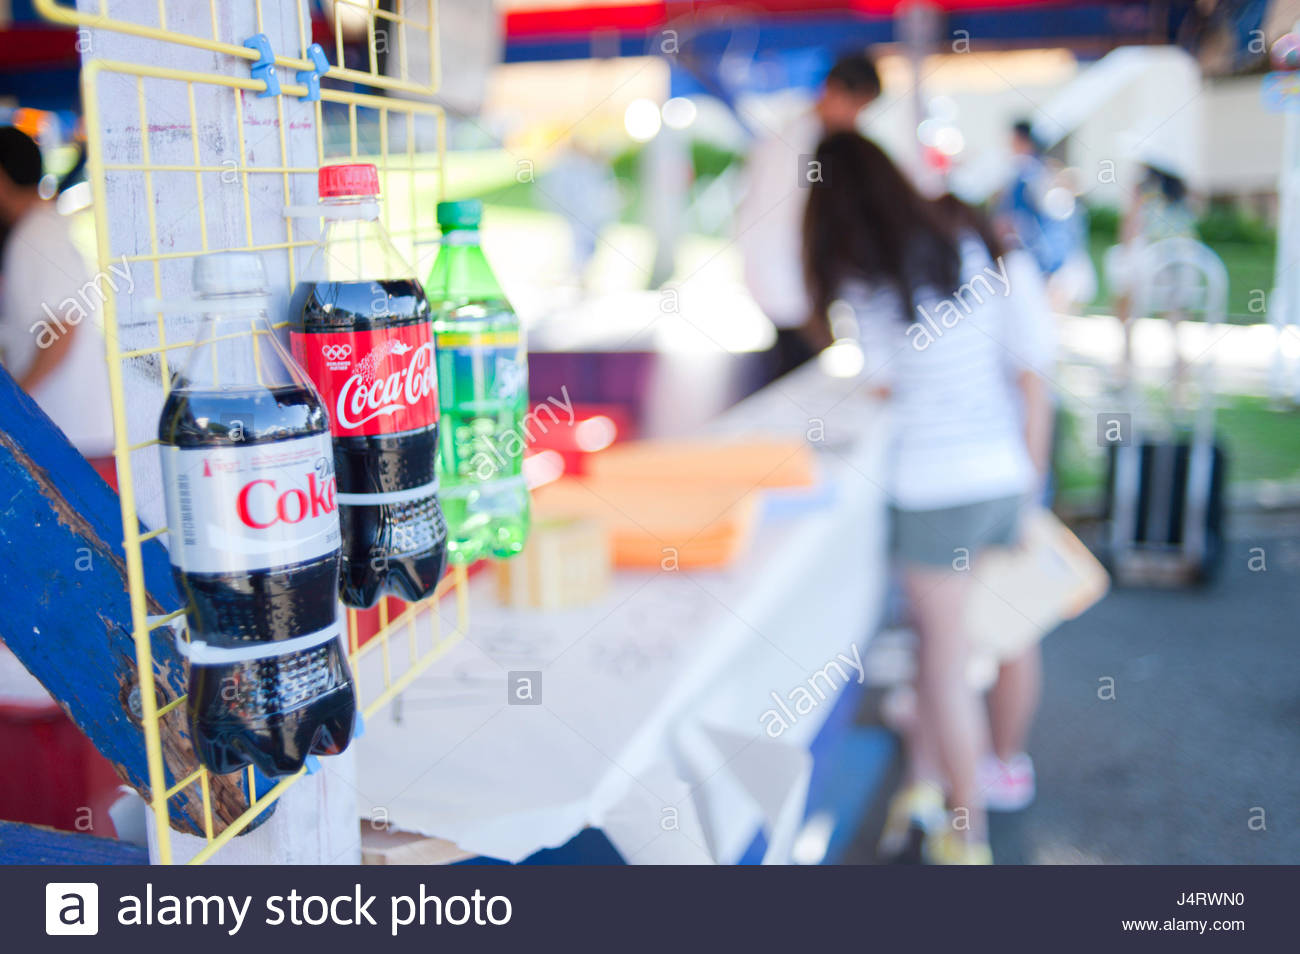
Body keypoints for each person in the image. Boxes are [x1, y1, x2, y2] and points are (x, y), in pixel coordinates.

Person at [803, 133, 1054, 864]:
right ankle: (990, 770)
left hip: (932, 489)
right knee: (1010, 635)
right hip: (1004, 475)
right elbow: (1030, 375)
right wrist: (1030, 488)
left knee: (942, 657)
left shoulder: (868, 278)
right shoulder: (977, 242)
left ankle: (965, 830)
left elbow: (882, 381)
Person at [737, 51, 880, 380]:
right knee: (793, 379)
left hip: (788, 292)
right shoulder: (802, 145)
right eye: (856, 106)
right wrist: (810, 313)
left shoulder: (805, 136)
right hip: (786, 293)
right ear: (833, 90)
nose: (856, 119)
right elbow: (784, 227)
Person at [0, 126, 114, 467]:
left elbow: (62, 329)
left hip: (72, 438)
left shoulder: (36, 236)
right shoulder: (37, 229)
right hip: (73, 435)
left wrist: (15, 403)